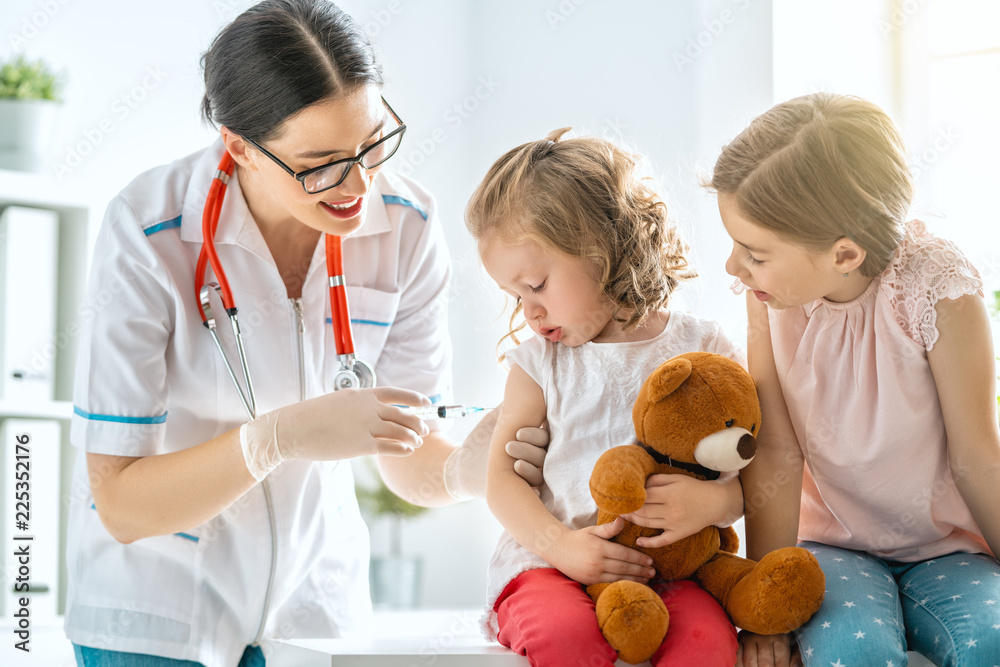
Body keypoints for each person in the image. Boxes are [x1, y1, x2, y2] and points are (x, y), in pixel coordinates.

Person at [64, 2, 547, 666]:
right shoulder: (146, 231)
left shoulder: (406, 226)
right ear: (239, 146)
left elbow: (411, 453)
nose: (360, 183)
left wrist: (471, 464)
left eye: (372, 142)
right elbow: (118, 503)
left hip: (312, 614)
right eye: (320, 163)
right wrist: (275, 440)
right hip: (158, 616)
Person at [713, 93, 1000, 667]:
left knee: (990, 642)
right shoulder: (768, 297)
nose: (734, 268)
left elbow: (977, 453)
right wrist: (767, 606)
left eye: (755, 253)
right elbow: (775, 451)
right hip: (832, 547)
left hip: (948, 548)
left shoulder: (936, 289)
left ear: (844, 253)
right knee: (853, 653)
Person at [467, 129, 749, 666]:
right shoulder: (539, 364)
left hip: (668, 569)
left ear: (603, 249)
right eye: (515, 296)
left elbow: (748, 469)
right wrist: (560, 547)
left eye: (537, 285)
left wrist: (714, 504)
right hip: (549, 566)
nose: (528, 311)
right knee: (564, 636)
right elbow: (500, 479)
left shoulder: (704, 347)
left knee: (708, 644)